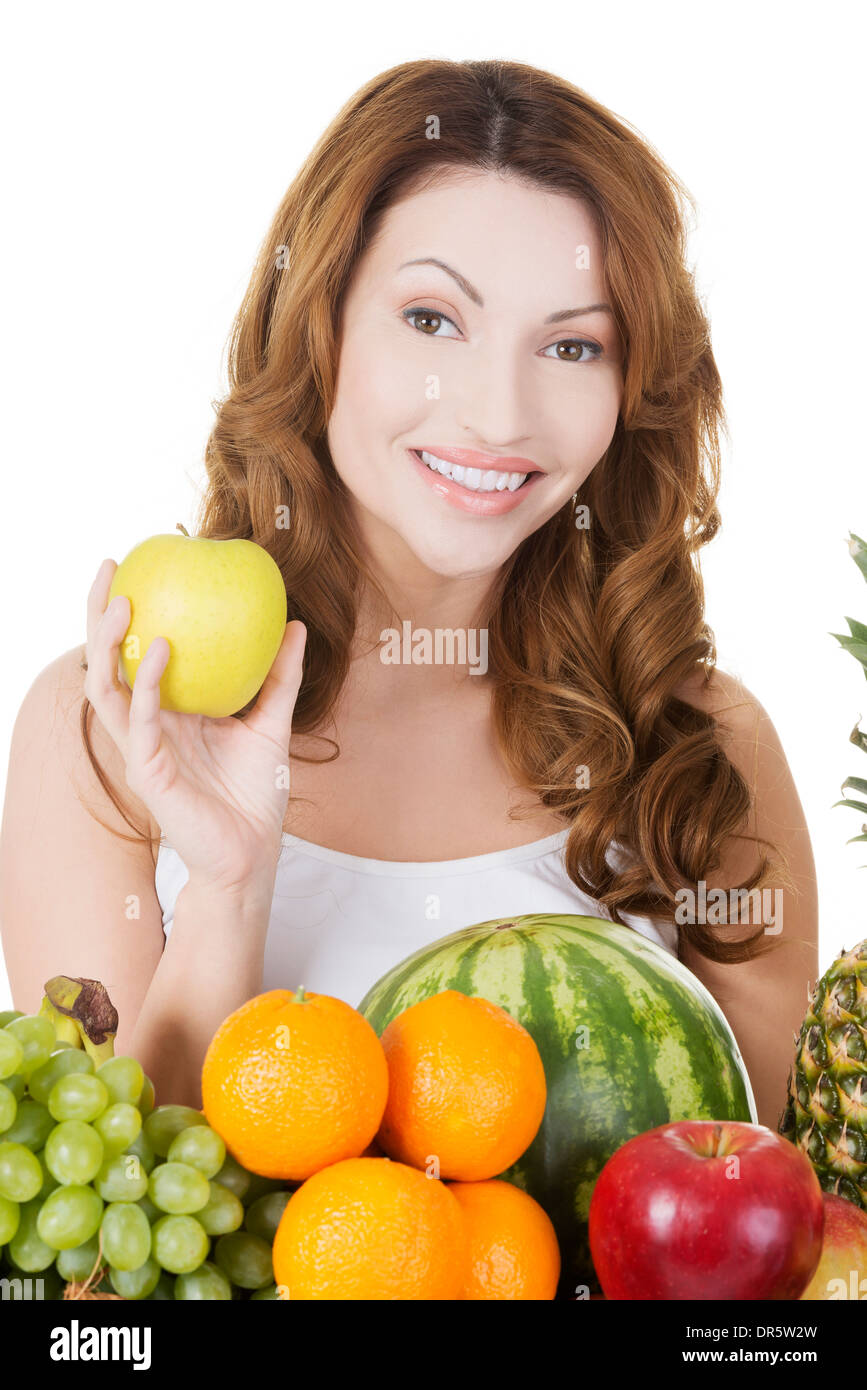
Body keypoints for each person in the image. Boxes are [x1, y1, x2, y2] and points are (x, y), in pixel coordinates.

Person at [0, 59, 817, 1121]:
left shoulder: (699, 746)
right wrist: (230, 888)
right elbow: (121, 1255)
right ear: (320, 323)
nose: (496, 413)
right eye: (433, 319)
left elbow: (771, 1227)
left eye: (573, 344)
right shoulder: (111, 726)